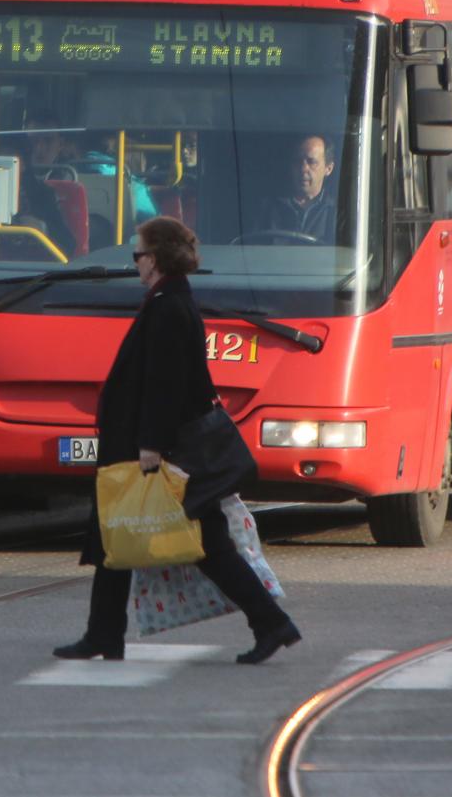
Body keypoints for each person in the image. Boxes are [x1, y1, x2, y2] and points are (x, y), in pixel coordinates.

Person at [54, 216, 302, 665]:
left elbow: (164, 385)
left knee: (195, 544)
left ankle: (270, 622)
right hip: (150, 446)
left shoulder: (168, 307)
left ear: (156, 259)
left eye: (138, 254)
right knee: (118, 536)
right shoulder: (168, 301)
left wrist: (151, 444)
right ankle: (104, 633)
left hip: (158, 452)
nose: (135, 262)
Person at [252, 134, 337, 242]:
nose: (303, 168)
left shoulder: (337, 212)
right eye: (298, 161)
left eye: (311, 162)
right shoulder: (267, 208)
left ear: (328, 169)